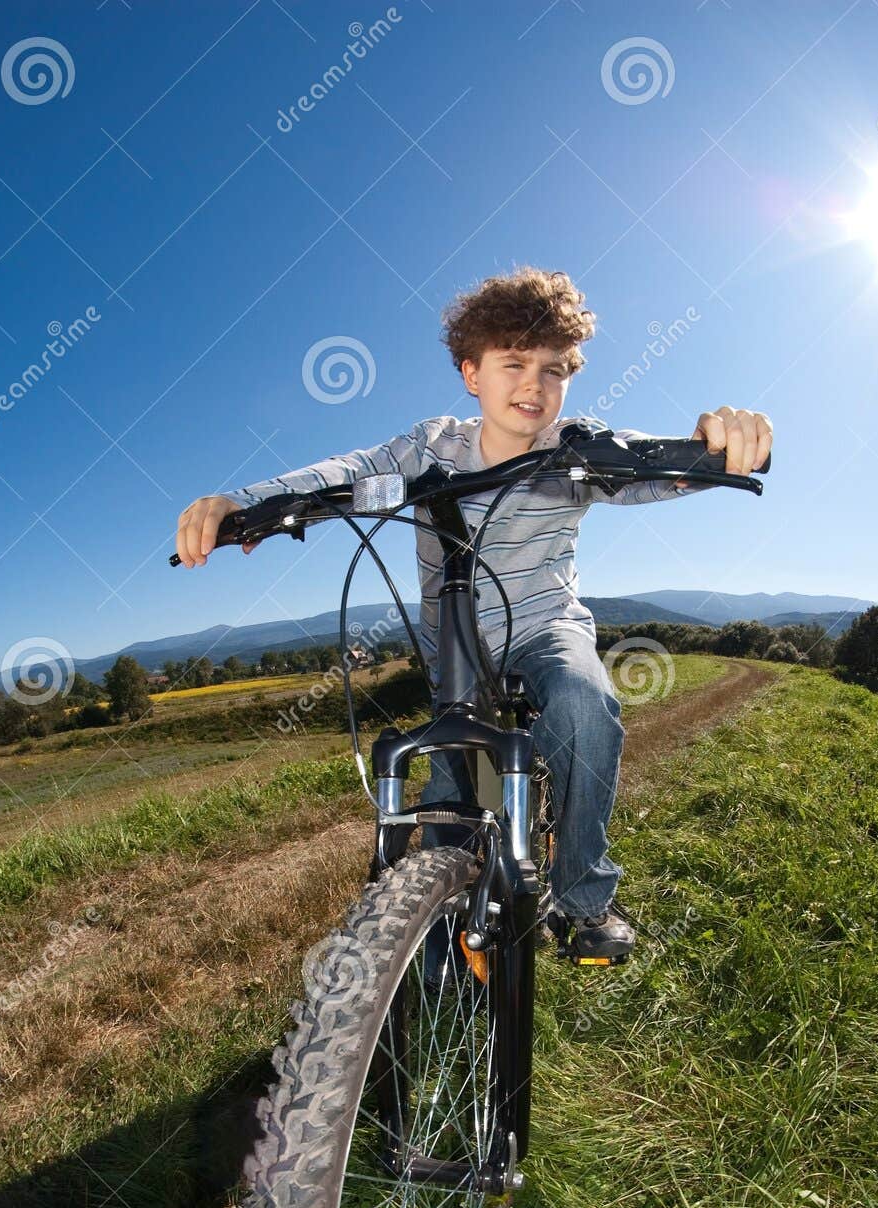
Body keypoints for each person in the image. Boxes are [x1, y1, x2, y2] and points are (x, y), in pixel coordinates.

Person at [174, 266, 771, 961]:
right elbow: (340, 472)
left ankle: (583, 897)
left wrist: (713, 441)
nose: (534, 386)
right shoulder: (429, 450)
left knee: (584, 706)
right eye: (513, 363)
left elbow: (645, 463)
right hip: (457, 653)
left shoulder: (572, 451)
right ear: (471, 374)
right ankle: (427, 949)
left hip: (545, 629)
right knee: (454, 803)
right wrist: (239, 505)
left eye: (553, 369)